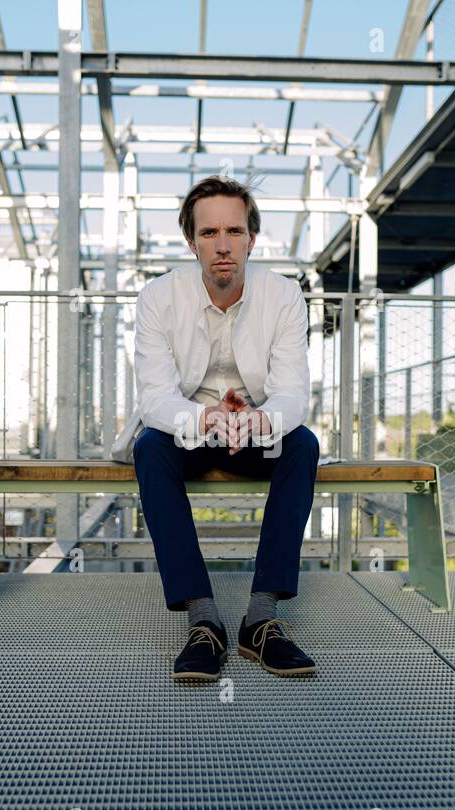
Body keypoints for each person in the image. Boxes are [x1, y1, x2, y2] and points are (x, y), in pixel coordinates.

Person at [110, 175, 320, 681]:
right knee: (149, 450)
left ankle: (261, 619)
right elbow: (156, 396)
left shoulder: (285, 296)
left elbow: (294, 392)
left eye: (233, 231)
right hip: (190, 428)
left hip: (255, 429)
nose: (222, 245)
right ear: (191, 242)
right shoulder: (158, 297)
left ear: (252, 238)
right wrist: (204, 417)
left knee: (303, 445)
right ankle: (204, 620)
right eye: (208, 234)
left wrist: (259, 419)